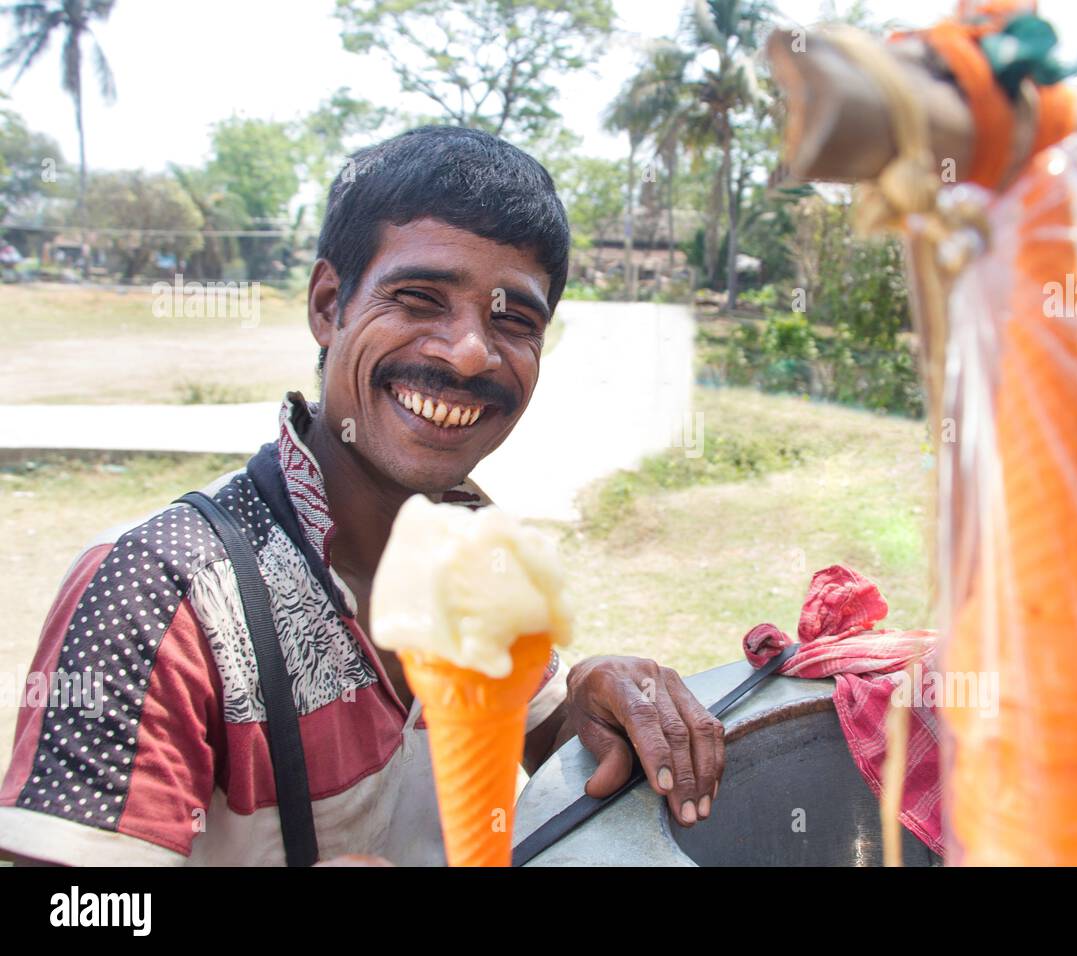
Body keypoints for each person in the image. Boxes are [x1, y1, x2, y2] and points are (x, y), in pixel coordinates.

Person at [0, 126, 724, 865]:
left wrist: (592, 701)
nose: (470, 350)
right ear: (326, 304)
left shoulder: (471, 545)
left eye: (513, 319)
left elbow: (538, 738)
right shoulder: (161, 592)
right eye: (418, 298)